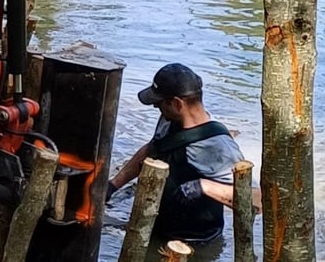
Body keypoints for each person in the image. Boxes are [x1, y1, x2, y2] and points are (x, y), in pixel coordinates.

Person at [105, 63, 249, 247]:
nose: (156, 108)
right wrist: (113, 185)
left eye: (158, 104)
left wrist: (204, 187)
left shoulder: (217, 148)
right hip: (155, 230)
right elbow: (153, 149)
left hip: (194, 243)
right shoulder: (169, 120)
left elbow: (256, 200)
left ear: (176, 103)